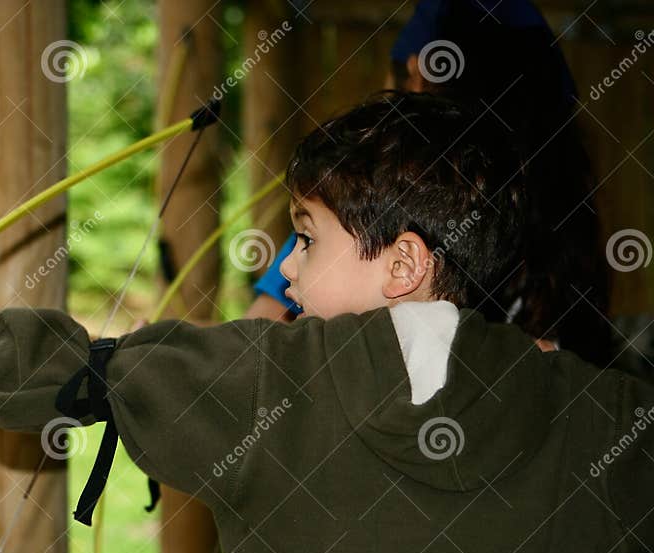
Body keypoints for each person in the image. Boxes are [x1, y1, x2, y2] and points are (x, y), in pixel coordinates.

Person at [0, 93, 654, 553]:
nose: (285, 269)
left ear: (403, 262)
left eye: (307, 238)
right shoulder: (590, 409)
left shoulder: (269, 382)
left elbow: (69, 373)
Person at [248, 0, 612, 367]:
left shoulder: (349, 215)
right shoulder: (564, 221)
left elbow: (256, 339)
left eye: (307, 242)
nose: (292, 264)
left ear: (416, 73)